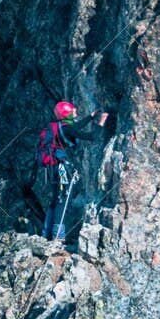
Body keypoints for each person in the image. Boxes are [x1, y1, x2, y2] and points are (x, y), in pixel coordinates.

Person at [38, 100, 109, 242]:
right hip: (62, 168)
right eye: (72, 110)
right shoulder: (67, 129)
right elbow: (91, 136)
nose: (75, 111)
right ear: (67, 114)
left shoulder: (59, 126)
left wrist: (90, 116)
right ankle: (58, 235)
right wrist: (101, 121)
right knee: (63, 199)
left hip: (53, 168)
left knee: (55, 200)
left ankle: (46, 233)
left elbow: (75, 127)